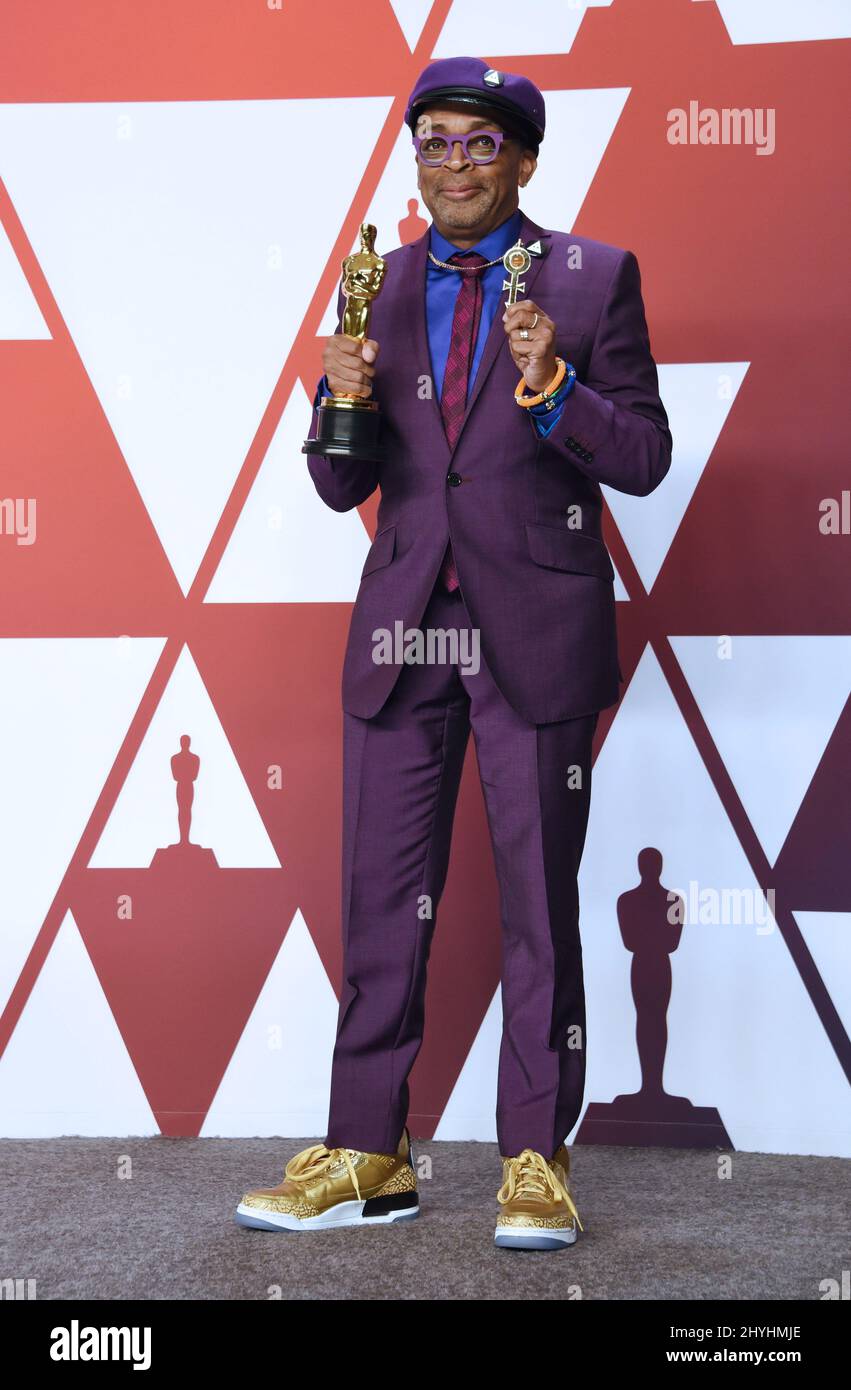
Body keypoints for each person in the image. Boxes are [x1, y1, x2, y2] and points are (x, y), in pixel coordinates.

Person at [236, 55, 672, 1251]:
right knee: (378, 900)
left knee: (538, 906)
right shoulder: (375, 284)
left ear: (524, 160)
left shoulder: (590, 279)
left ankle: (533, 1159)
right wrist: (339, 402)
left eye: (480, 145)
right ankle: (369, 1152)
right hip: (400, 630)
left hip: (531, 628)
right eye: (433, 142)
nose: (454, 164)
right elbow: (341, 487)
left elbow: (639, 457)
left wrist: (551, 390)